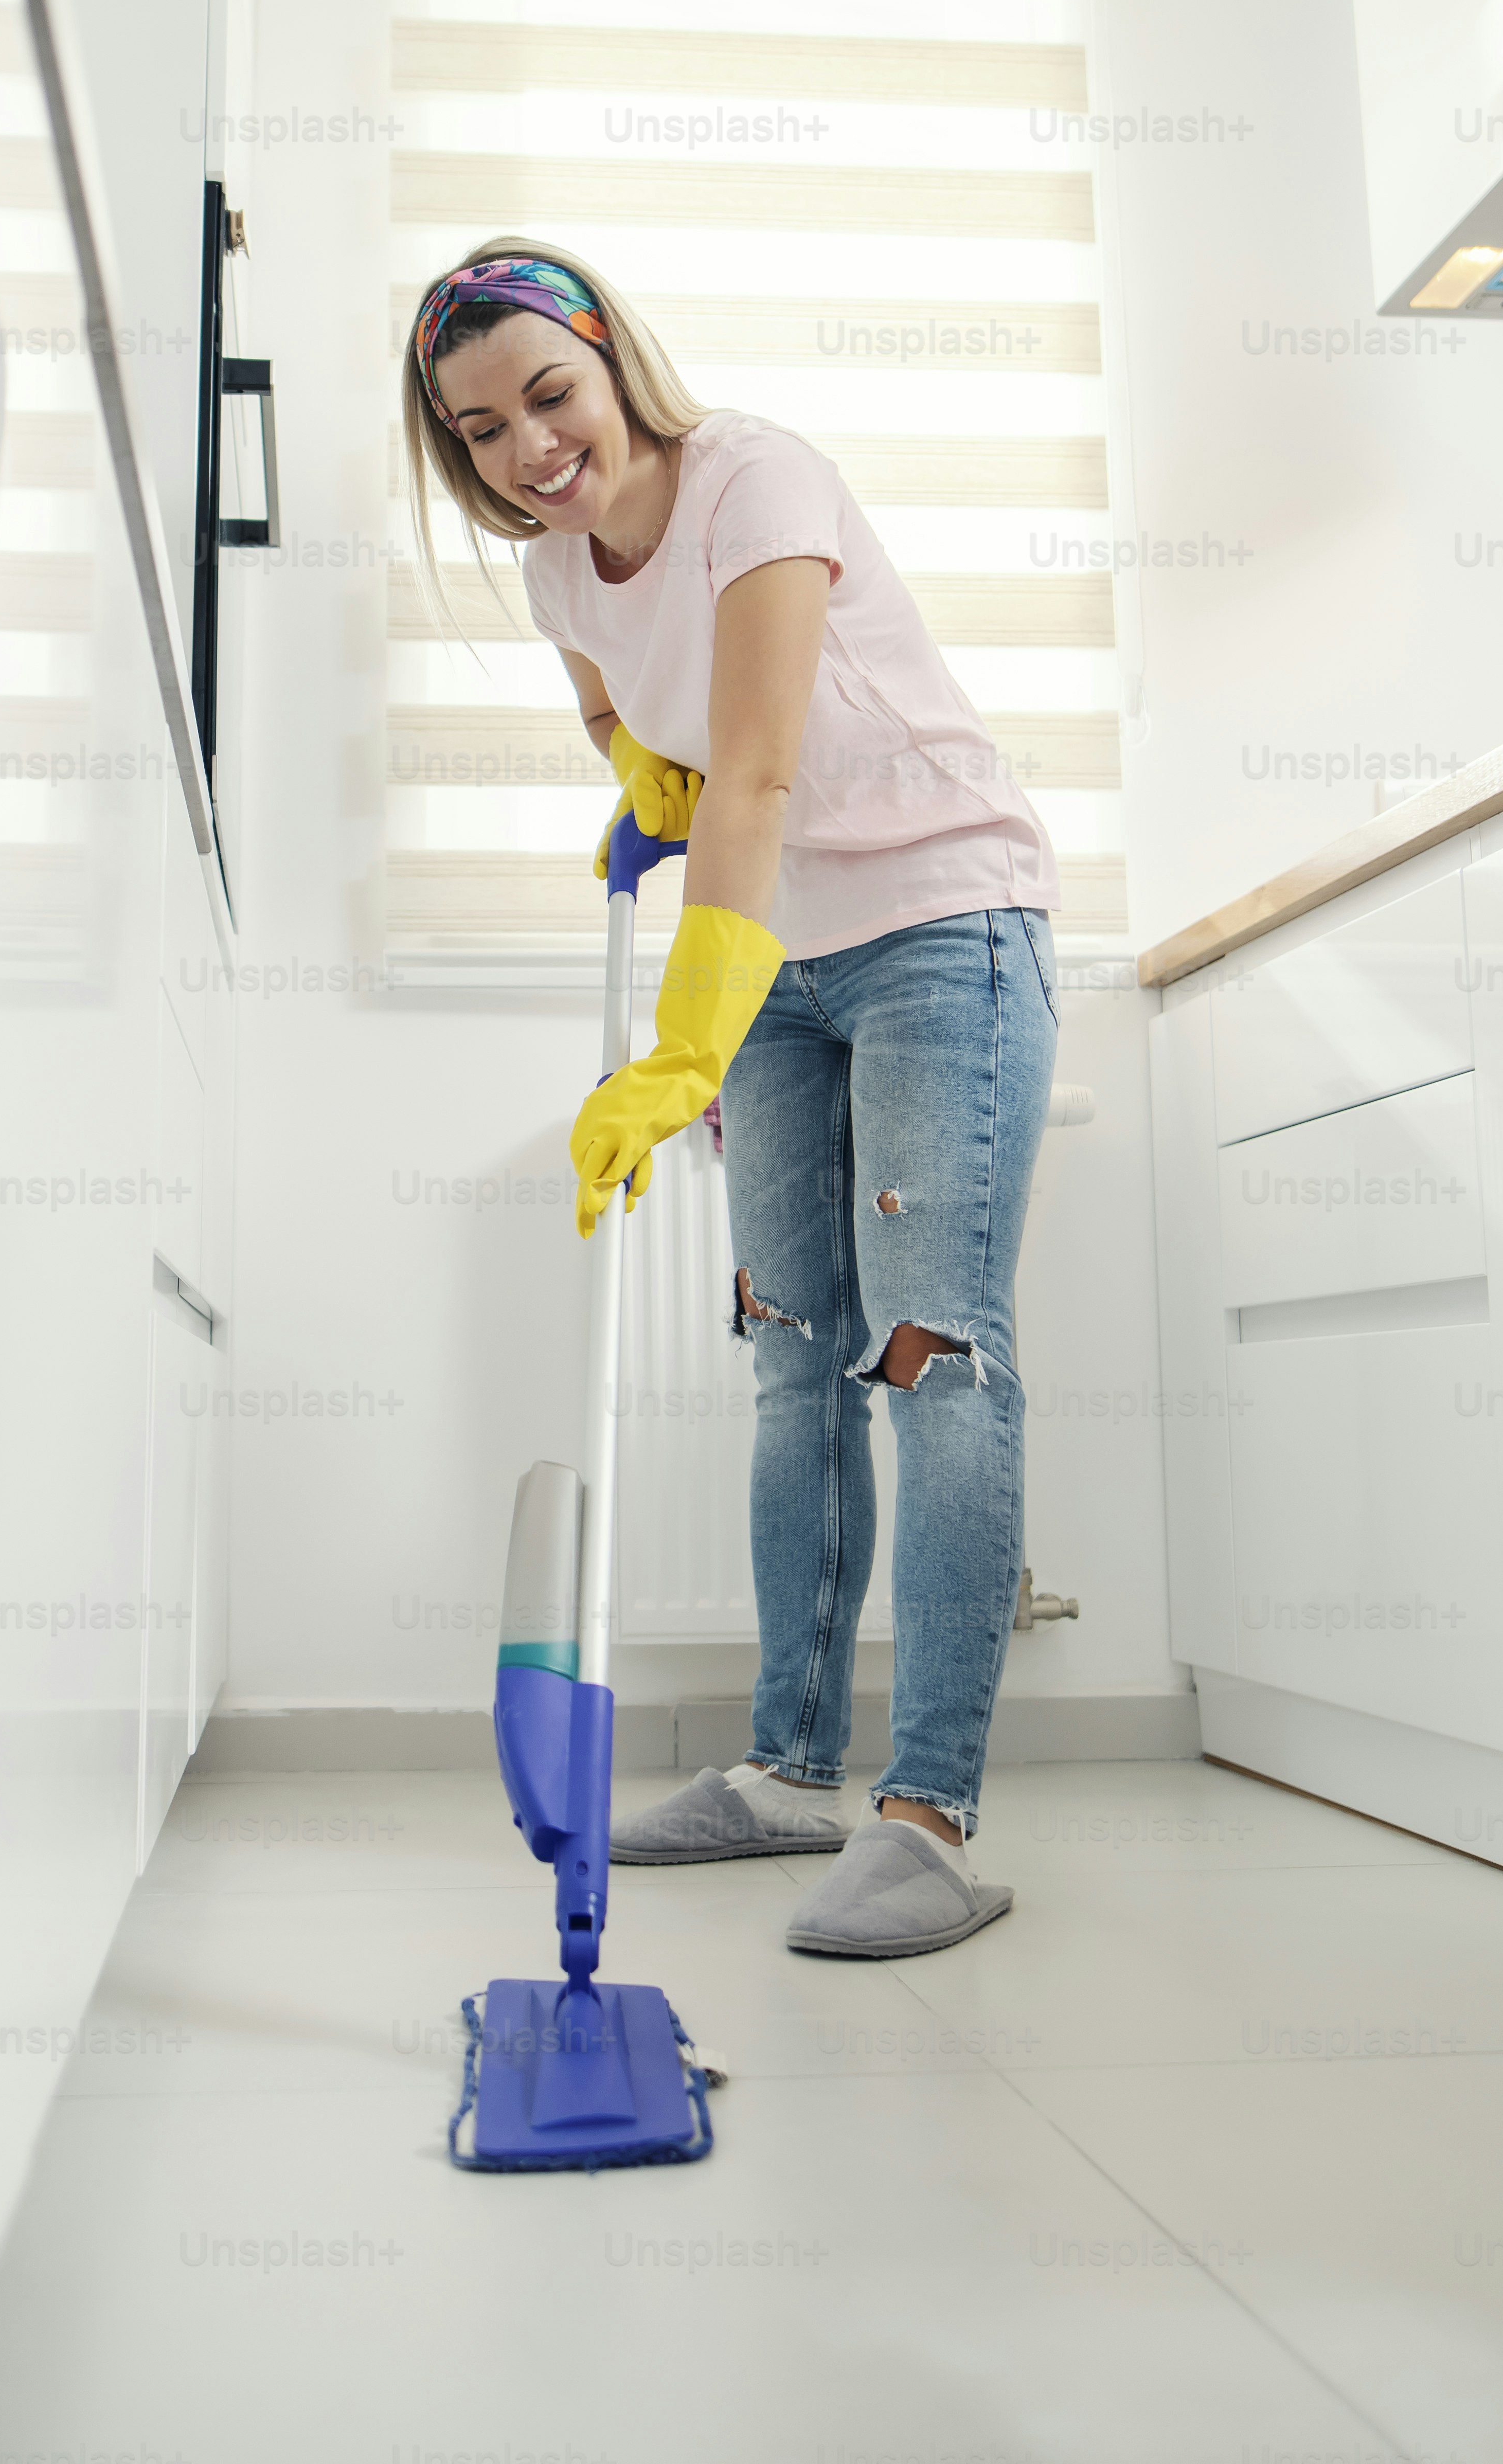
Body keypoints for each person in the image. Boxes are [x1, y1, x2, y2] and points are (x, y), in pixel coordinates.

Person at [401, 238, 1061, 1958]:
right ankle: (786, 1775)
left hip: (935, 926)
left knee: (930, 1351)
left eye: (550, 395)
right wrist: (638, 787)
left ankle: (929, 1817)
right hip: (774, 963)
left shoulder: (758, 479)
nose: (533, 449)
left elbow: (756, 769)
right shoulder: (558, 573)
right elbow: (661, 746)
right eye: (481, 433)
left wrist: (684, 1043)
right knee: (788, 1363)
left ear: (614, 357)